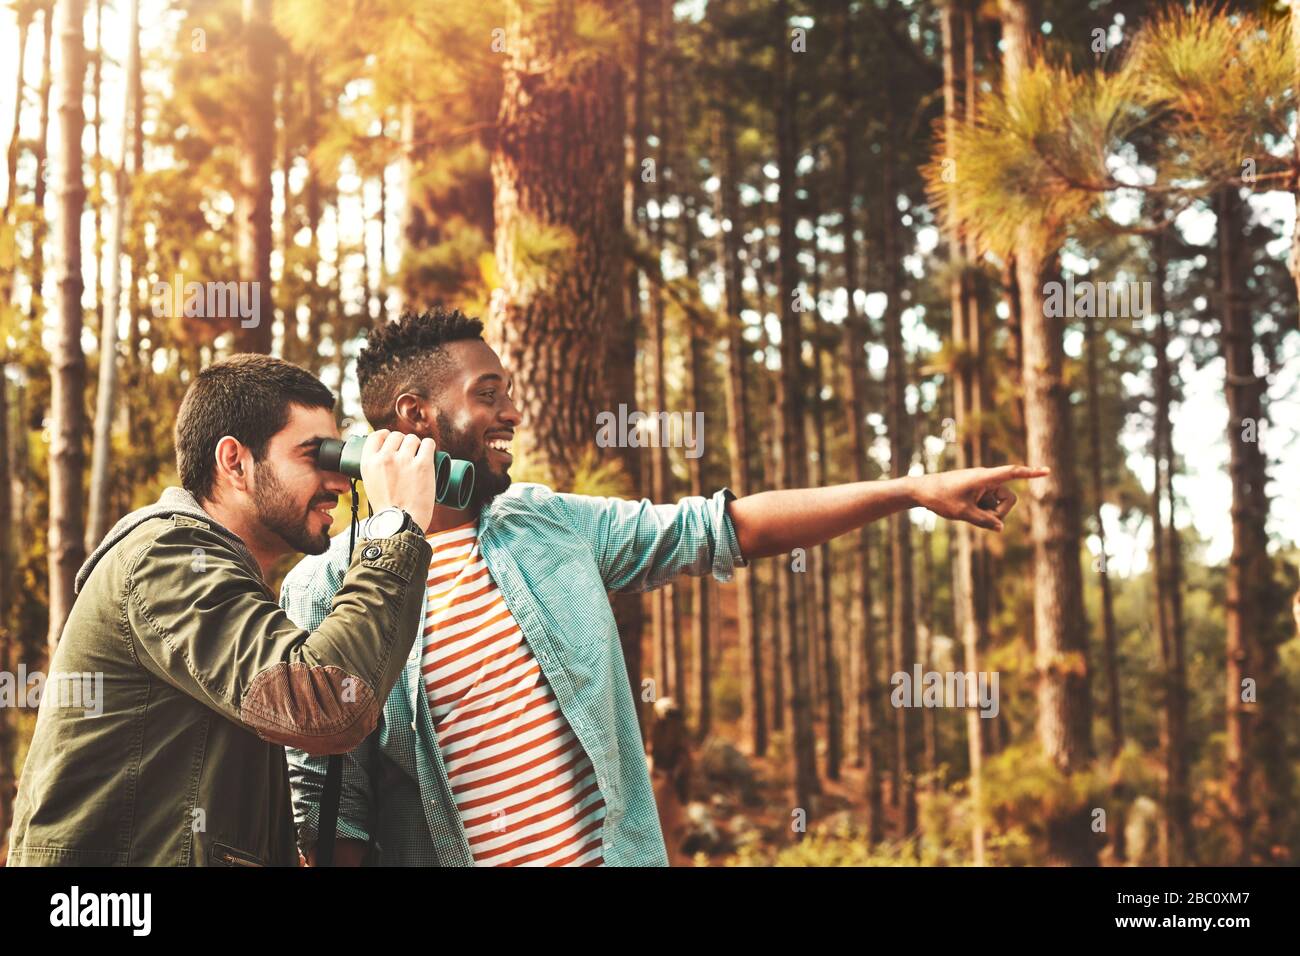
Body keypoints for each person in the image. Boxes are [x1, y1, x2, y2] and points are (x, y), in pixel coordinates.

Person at [282, 306, 1047, 867]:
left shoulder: (547, 525)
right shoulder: (325, 589)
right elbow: (330, 814)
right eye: (488, 393)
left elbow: (726, 528)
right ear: (416, 415)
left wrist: (909, 490)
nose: (511, 410)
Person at [9, 354, 442, 866]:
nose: (341, 482)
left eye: (340, 459)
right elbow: (321, 704)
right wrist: (395, 526)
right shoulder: (164, 556)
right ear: (234, 461)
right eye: (316, 456)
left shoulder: (225, 581)